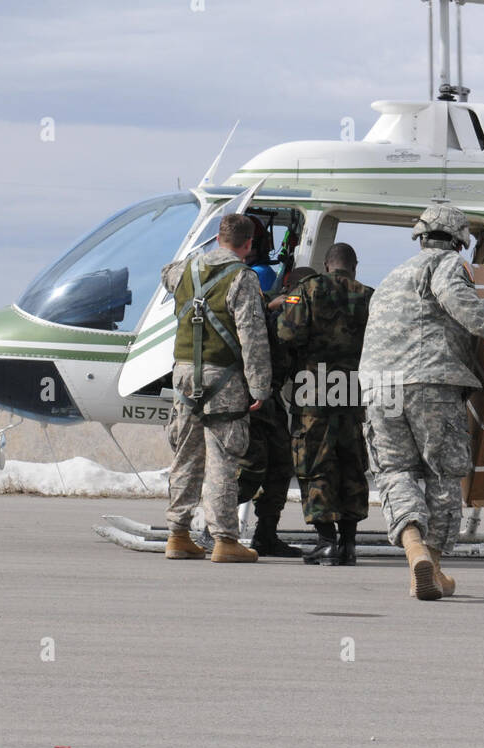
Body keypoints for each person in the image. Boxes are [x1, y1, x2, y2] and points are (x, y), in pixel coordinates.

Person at [359, 203, 484, 599]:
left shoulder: (389, 277)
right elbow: (454, 295)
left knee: (395, 472)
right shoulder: (447, 264)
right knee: (442, 473)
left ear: (420, 236)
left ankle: (413, 546)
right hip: (430, 382)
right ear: (458, 242)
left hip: (378, 387)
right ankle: (432, 563)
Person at [160, 213, 272, 563]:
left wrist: (202, 254)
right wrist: (260, 388)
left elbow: (166, 271)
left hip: (183, 377)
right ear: (248, 245)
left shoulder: (184, 272)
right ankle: (225, 540)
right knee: (223, 459)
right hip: (222, 379)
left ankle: (177, 534)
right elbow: (252, 336)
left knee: (186, 456)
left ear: (218, 239)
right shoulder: (243, 278)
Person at [275, 243, 373, 565]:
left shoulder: (308, 289)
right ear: (354, 266)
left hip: (314, 386)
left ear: (327, 265)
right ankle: (348, 545)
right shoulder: (371, 296)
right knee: (350, 461)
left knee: (315, 461)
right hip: (351, 388)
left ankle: (326, 542)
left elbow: (288, 334)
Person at [235, 230, 302, 558]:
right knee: (250, 467)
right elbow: (246, 322)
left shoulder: (284, 312)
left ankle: (265, 534)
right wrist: (273, 303)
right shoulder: (248, 290)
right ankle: (211, 526)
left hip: (269, 397)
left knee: (280, 466)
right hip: (248, 394)